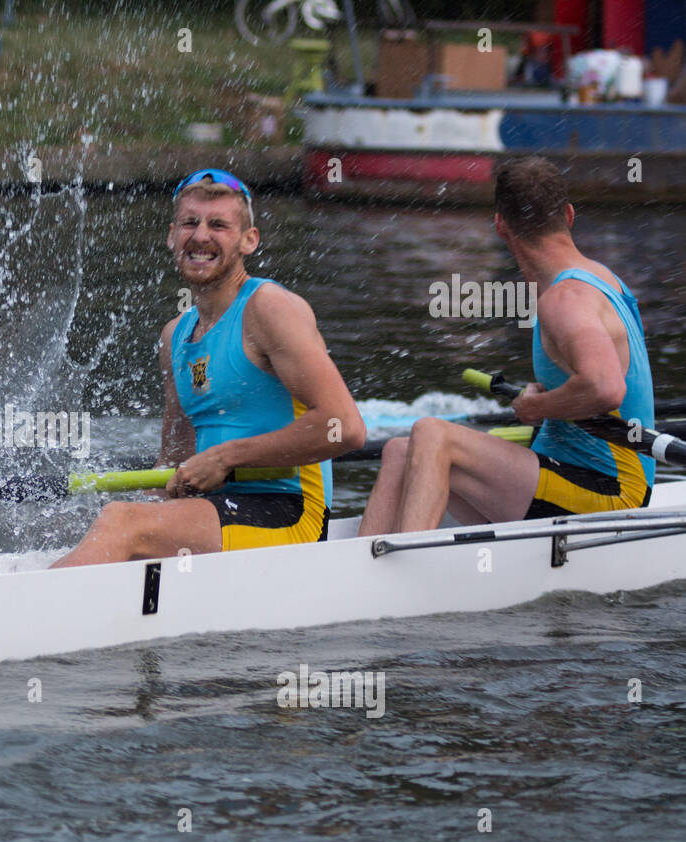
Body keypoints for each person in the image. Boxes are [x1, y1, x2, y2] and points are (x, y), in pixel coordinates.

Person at [51, 169, 366, 567]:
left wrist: (224, 458)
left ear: (248, 240)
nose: (201, 236)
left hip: (290, 513)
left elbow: (346, 428)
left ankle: (19, 622)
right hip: (220, 508)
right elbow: (174, 457)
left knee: (120, 523)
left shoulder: (270, 308)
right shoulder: (174, 336)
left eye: (218, 224)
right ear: (171, 236)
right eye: (190, 223)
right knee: (110, 520)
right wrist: (147, 507)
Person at [358, 156, 655, 535]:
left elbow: (606, 387)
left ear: (500, 224)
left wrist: (536, 405)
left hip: (611, 493)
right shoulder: (600, 277)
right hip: (563, 470)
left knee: (433, 434)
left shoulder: (566, 299)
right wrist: (557, 399)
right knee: (400, 451)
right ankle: (363, 568)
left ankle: (405, 569)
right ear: (568, 214)